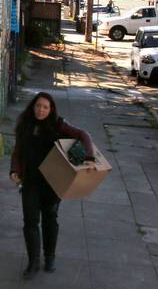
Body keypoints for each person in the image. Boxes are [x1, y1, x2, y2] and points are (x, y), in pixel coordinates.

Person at [9, 91, 96, 278]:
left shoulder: (58, 125)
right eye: (38, 106)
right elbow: (17, 152)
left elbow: (83, 135)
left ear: (51, 109)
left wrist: (89, 157)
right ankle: (33, 263)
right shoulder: (25, 125)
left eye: (45, 107)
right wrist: (14, 170)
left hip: (53, 182)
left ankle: (50, 257)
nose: (41, 110)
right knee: (30, 222)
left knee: (50, 219)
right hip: (30, 182)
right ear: (33, 106)